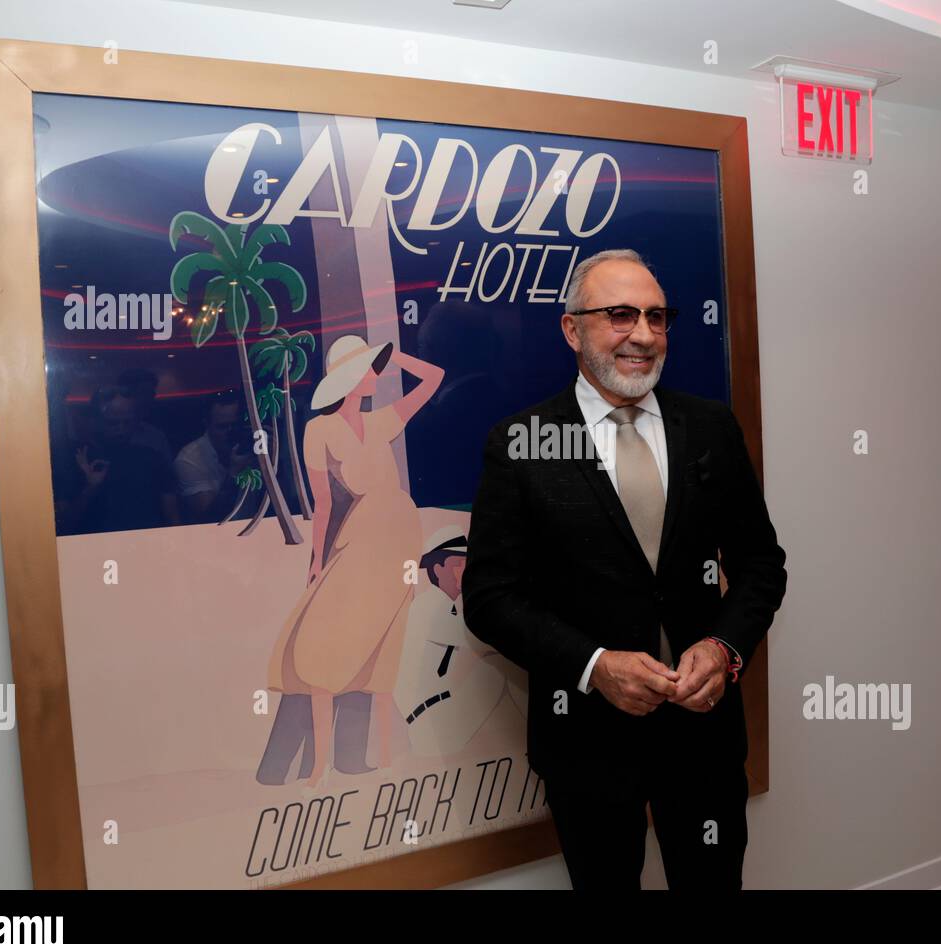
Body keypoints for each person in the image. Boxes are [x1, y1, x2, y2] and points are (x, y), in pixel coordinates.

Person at [463, 249, 787, 890]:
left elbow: (761, 566)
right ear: (571, 328)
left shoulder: (711, 428)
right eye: (620, 315)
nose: (643, 334)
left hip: (703, 731)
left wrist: (724, 649)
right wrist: (593, 666)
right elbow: (490, 598)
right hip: (587, 742)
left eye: (656, 317)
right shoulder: (522, 441)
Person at [266, 335, 444, 790]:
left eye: (375, 366)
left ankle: (356, 758)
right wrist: (315, 561)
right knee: (327, 643)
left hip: (397, 540)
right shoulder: (319, 430)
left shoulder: (381, 420)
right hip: (358, 542)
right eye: (368, 368)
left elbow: (434, 379)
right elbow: (323, 505)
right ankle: (305, 765)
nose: (376, 375)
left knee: (380, 644)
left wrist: (390, 354)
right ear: (347, 377)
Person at [391, 526, 525, 758]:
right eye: (458, 564)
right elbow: (484, 638)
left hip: (438, 716)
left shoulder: (444, 606)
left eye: (467, 563)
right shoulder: (428, 607)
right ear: (438, 568)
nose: (467, 571)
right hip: (430, 726)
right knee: (500, 666)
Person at [56, 387, 181, 535]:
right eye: (113, 423)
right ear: (96, 420)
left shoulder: (152, 457)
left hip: (147, 547)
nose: (121, 429)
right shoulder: (75, 458)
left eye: (127, 422)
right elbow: (62, 527)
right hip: (93, 549)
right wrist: (89, 489)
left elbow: (172, 520)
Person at [173, 392, 256, 523]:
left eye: (235, 425)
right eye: (222, 427)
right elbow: (210, 517)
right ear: (207, 424)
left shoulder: (252, 445)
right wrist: (234, 473)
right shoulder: (189, 460)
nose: (230, 432)